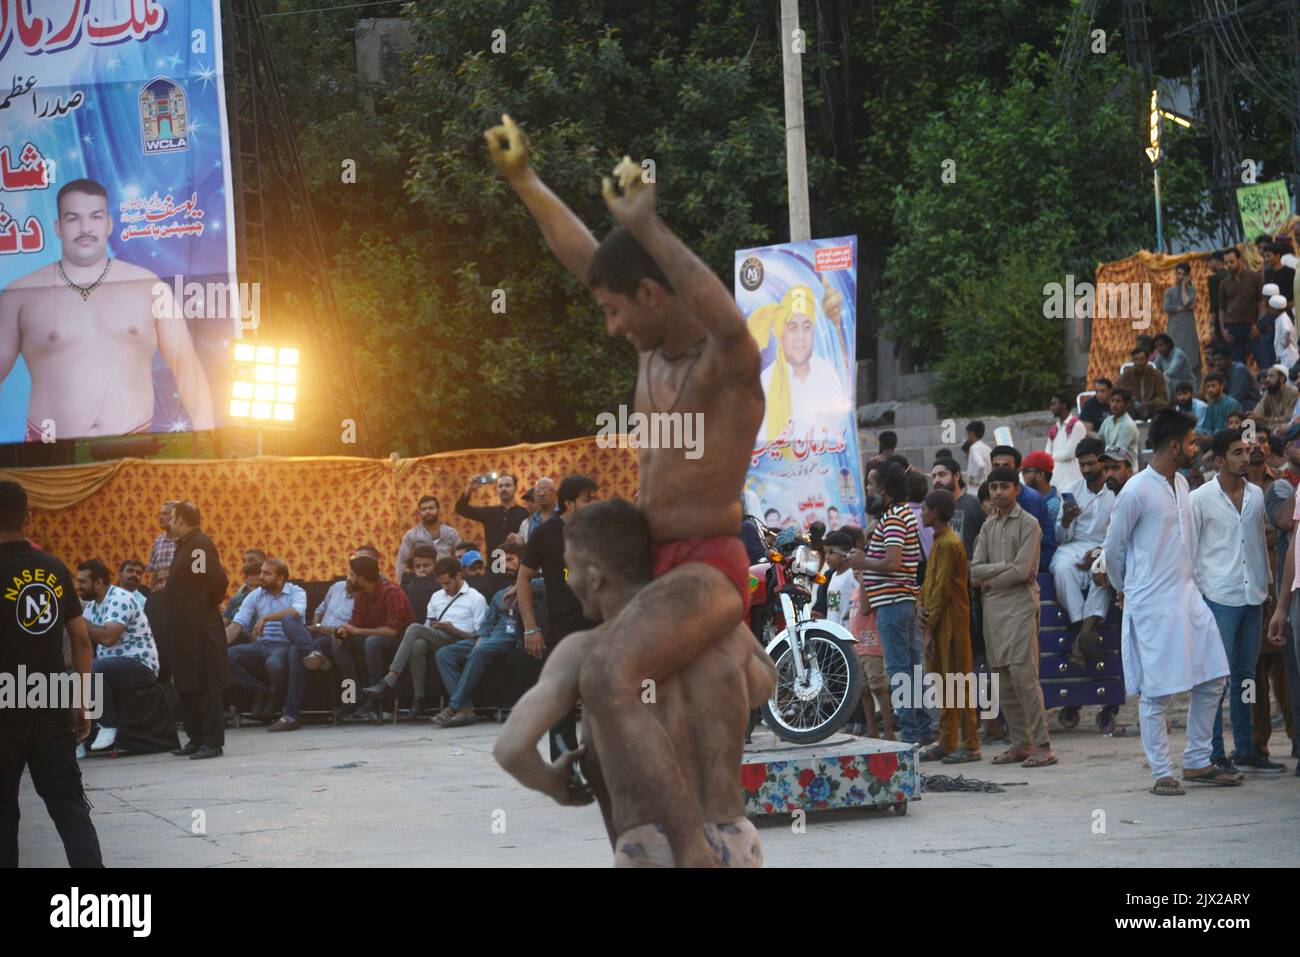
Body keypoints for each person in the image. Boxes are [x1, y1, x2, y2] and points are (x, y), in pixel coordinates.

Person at [489, 116, 767, 867]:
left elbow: (735, 327)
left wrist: (648, 221)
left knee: (610, 672)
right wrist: (526, 181)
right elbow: (590, 258)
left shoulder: (721, 369)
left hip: (708, 565)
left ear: (652, 292)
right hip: (657, 568)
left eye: (616, 310)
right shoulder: (649, 350)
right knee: (618, 672)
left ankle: (692, 849)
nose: (609, 327)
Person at [495, 499, 777, 867]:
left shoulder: (587, 650)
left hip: (654, 845)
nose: (571, 580)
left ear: (595, 577)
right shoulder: (721, 633)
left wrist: (554, 783)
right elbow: (763, 685)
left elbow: (512, 748)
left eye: (571, 569)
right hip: (737, 839)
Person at [0, 179, 215, 440]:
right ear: (58, 227)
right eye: (72, 218)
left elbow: (186, 365)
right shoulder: (20, 294)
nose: (85, 228)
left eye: (95, 216)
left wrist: (210, 441)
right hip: (46, 453)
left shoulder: (149, 287)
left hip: (134, 450)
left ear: (109, 224)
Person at [1103, 409, 1234, 795]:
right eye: (1192, 442)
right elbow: (1113, 547)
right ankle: (1162, 771)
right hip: (1151, 603)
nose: (1196, 448)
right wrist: (1124, 587)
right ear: (1175, 445)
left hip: (1188, 595)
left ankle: (1196, 760)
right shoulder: (1136, 489)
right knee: (1157, 692)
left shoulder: (1180, 484)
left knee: (1214, 676)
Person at [0, 480, 103, 867]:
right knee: (69, 807)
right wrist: (83, 702)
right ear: (28, 517)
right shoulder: (54, 568)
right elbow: (81, 641)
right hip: (50, 700)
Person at [1189, 428, 1282, 773]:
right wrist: (1195, 598)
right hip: (1216, 596)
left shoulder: (1256, 494)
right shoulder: (1199, 498)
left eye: (1247, 452)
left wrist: (1268, 590)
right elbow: (1190, 550)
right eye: (1237, 453)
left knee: (1246, 678)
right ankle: (1213, 752)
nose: (1246, 458)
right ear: (1218, 460)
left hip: (1252, 594)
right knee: (1215, 678)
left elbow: (1257, 542)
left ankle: (1246, 748)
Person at [970, 466, 1053, 767]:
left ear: (1016, 490)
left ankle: (1044, 746)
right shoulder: (987, 527)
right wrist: (1001, 569)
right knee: (1002, 678)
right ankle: (1021, 744)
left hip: (1020, 606)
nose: (998, 492)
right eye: (994, 487)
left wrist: (991, 577)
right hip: (993, 610)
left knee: (1024, 677)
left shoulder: (1029, 524)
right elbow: (973, 570)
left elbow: (1024, 571)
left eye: (1005, 486)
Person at [517, 474, 600, 753]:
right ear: (569, 503)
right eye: (588, 500)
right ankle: (566, 771)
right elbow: (523, 578)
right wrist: (530, 627)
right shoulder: (545, 533)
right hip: (563, 629)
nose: (594, 504)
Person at [852, 461, 931, 745]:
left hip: (894, 604)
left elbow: (893, 561)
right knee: (909, 668)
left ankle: (910, 734)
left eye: (871, 485)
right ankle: (921, 730)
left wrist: (863, 561)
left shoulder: (896, 517)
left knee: (899, 670)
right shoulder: (895, 515)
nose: (868, 490)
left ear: (884, 489)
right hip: (899, 603)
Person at [362, 556, 488, 722]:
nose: (446, 588)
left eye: (448, 583)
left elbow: (480, 635)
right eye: (441, 584)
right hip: (438, 637)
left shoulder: (475, 598)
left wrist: (453, 630)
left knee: (414, 628)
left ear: (458, 576)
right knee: (418, 644)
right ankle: (419, 698)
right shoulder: (437, 596)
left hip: (462, 640)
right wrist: (437, 628)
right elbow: (428, 625)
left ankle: (391, 677)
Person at [918, 489, 980, 764]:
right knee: (943, 685)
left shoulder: (949, 544)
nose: (921, 513)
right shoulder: (940, 541)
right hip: (938, 621)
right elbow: (929, 584)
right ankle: (947, 741)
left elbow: (942, 590)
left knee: (958, 684)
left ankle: (970, 744)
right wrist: (920, 604)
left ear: (934, 512)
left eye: (924, 508)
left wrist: (929, 631)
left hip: (951, 626)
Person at [166, 501, 230, 760]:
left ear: (181, 519)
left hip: (199, 628)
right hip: (183, 629)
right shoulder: (185, 547)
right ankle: (196, 738)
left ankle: (212, 742)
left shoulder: (199, 546)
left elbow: (217, 581)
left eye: (171, 517)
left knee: (205, 685)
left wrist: (203, 606)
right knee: (186, 683)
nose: (169, 522)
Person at [75, 559, 160, 755]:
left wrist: (78, 619)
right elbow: (87, 648)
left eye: (82, 582)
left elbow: (108, 638)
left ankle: (108, 726)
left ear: (98, 583)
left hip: (140, 664)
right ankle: (78, 738)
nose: (78, 586)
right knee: (71, 677)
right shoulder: (90, 607)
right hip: (110, 667)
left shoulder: (119, 598)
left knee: (93, 669)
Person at [435, 578, 526, 729]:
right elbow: (489, 621)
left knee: (480, 650)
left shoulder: (533, 588)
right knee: (444, 654)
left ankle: (453, 707)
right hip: (489, 635)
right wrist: (482, 636)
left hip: (509, 636)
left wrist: (520, 587)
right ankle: (465, 709)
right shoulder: (499, 595)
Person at [225, 558, 307, 722]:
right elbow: (236, 625)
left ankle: (274, 696)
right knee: (223, 656)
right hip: (262, 644)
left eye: (267, 573)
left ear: (280, 578)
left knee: (274, 664)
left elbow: (296, 612)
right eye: (261, 572)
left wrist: (267, 618)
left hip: (285, 644)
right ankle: (258, 690)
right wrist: (216, 648)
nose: (261, 576)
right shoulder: (256, 595)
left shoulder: (296, 592)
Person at [1051, 437, 1114, 652]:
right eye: (1082, 464)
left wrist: (1100, 552)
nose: (1085, 469)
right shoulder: (1072, 490)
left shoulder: (1116, 490)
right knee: (1060, 568)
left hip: (1106, 547)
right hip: (1074, 546)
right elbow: (1062, 538)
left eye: (1090, 463)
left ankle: (1081, 638)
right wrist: (1067, 520)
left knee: (1104, 572)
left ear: (1103, 462)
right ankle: (1083, 627)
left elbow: (1120, 534)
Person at [335, 554, 414, 722]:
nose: (348, 579)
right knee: (338, 644)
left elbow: (393, 631)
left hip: (400, 642)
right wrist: (345, 631)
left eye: (351, 575)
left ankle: (375, 700)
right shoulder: (361, 594)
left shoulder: (391, 592)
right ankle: (352, 696)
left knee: (373, 642)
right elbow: (355, 622)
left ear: (362, 578)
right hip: (373, 638)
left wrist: (358, 631)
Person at [989, 445, 1057, 571]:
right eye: (996, 466)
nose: (1000, 471)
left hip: (1036, 556)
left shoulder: (1030, 499)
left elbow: (1027, 544)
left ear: (1018, 469)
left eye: (1006, 466)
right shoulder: (990, 493)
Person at [456, 472, 530, 559]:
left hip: (517, 565)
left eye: (507, 485)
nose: (503, 489)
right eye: (500, 486)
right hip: (494, 566)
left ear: (516, 488)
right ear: (497, 490)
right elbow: (461, 509)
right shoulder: (489, 513)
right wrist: (469, 489)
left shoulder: (525, 513)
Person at [395, 495, 461, 582]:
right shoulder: (411, 535)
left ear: (438, 509)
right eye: (424, 509)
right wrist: (402, 585)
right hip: (422, 583)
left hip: (448, 581)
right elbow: (401, 562)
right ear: (420, 512)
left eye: (431, 508)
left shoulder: (451, 533)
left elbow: (460, 558)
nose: (428, 511)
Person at [1218, 247, 1264, 364]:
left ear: (1240, 260)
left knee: (1262, 360)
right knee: (1238, 366)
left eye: (1231, 262)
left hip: (1251, 326)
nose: (1228, 265)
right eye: (1226, 263)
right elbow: (1222, 309)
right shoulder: (1224, 283)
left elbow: (1262, 303)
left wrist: (1258, 325)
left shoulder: (1255, 278)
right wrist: (1223, 330)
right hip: (1232, 328)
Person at [930, 457, 983, 558]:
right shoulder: (932, 509)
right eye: (934, 476)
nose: (936, 480)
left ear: (957, 476)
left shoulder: (974, 504)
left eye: (942, 474)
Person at [1162, 262, 1200, 386]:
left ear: (1188, 276)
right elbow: (1167, 307)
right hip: (1174, 329)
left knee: (1191, 358)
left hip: (1188, 329)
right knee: (1175, 358)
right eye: (1178, 274)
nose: (1180, 277)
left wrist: (1184, 286)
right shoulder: (1169, 292)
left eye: (1184, 275)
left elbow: (1187, 301)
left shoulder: (1192, 290)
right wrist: (1182, 308)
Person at [1115, 345, 1168, 420]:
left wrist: (1147, 404)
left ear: (1147, 360)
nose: (1139, 362)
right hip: (1132, 408)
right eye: (1136, 359)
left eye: (1142, 359)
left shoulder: (1156, 374)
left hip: (1152, 408)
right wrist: (1132, 401)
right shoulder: (1126, 375)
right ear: (1133, 361)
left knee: (1163, 407)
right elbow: (1116, 391)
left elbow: (1163, 398)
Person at [1045, 391, 1086, 489]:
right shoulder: (1054, 428)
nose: (1051, 408)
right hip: (1055, 477)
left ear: (1064, 405)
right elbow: (1047, 452)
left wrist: (1052, 457)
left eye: (1054, 404)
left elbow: (1070, 453)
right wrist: (1049, 457)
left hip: (1071, 477)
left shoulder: (1077, 425)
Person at [1207, 343, 1260, 408]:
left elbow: (1236, 397)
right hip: (1235, 402)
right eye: (1215, 360)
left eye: (1220, 359)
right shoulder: (1221, 372)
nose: (1217, 363)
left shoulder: (1239, 370)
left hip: (1251, 402)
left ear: (1229, 359)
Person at [1099, 388, 1140, 464]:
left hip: (1127, 468)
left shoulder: (1129, 425)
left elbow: (1118, 452)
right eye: (1112, 401)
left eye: (1118, 401)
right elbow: (1099, 440)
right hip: (1110, 464)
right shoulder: (1107, 420)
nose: (1114, 404)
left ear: (1127, 404)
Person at [1152, 333, 1196, 401]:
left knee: (1164, 376)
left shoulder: (1178, 354)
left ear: (1168, 344)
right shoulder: (1161, 356)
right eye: (1157, 347)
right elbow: (1153, 367)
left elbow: (1170, 372)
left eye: (1161, 345)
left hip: (1187, 388)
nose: (1159, 349)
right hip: (1174, 389)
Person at [1254, 364, 1297, 434]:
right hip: (1271, 429)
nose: (1267, 379)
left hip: (1286, 431)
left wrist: (1263, 419)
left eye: (1271, 376)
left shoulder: (1293, 393)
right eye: (1267, 376)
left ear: (1282, 379)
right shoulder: (1269, 392)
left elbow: (1288, 419)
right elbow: (1257, 413)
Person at [1020, 450, 1059, 522]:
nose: (1022, 474)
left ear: (1040, 475)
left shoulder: (1052, 505)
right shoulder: (1028, 497)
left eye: (1026, 471)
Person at [1199, 370, 1241, 437]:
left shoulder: (1231, 404)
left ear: (1221, 386)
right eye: (1208, 386)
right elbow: (1207, 428)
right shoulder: (1210, 405)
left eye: (1213, 386)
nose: (1210, 389)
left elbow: (1231, 429)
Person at [146, 500, 178, 583]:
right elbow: (154, 573)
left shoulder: (190, 541)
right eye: (161, 513)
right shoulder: (158, 542)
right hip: (162, 593)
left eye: (165, 514)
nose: (160, 517)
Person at [519, 477, 559, 543]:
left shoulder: (563, 514)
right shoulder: (533, 519)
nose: (541, 494)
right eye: (538, 490)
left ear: (555, 493)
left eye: (546, 490)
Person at [1271, 294, 1298, 371]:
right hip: (1285, 356)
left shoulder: (1283, 319)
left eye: (1271, 309)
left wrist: (1284, 342)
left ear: (1275, 309)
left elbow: (1287, 330)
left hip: (1288, 356)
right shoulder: (1281, 317)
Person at [963, 420, 992, 488]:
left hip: (976, 488)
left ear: (972, 434)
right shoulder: (988, 448)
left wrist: (977, 480)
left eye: (967, 434)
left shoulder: (974, 448)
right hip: (987, 484)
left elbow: (981, 465)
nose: (967, 437)